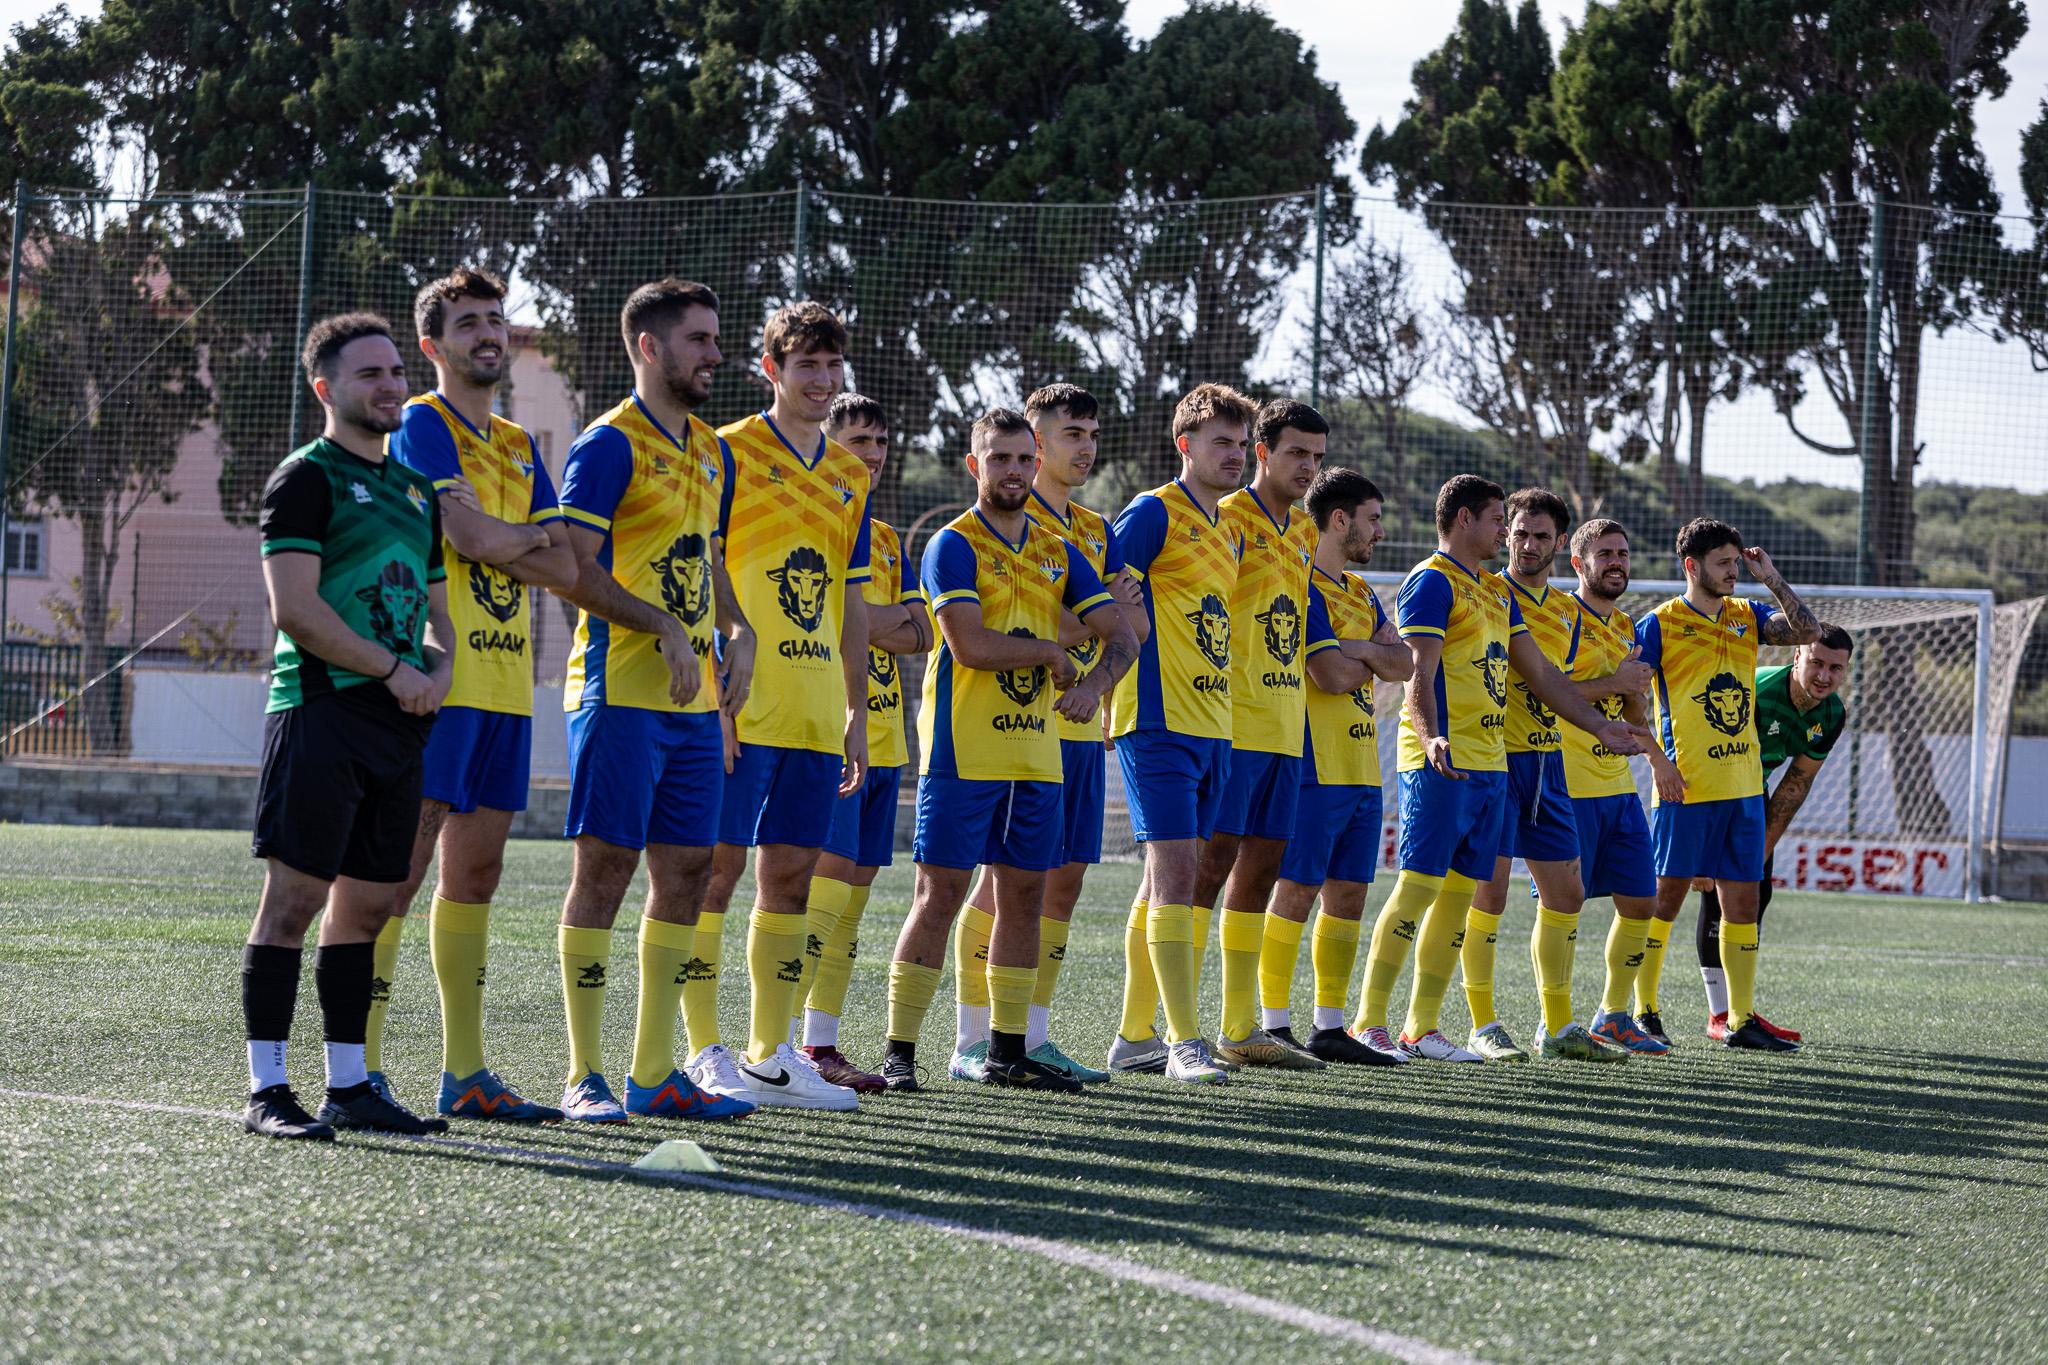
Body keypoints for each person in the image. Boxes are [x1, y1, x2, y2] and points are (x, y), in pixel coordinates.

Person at [879, 409, 1136, 1093]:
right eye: (1000, 458)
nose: (1015, 471)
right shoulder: (952, 545)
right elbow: (968, 644)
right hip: (962, 753)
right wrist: (1052, 652)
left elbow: (1123, 633)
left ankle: (1007, 1052)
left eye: (1025, 459)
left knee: (1026, 898)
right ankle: (900, 1054)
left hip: (1038, 757)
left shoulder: (1060, 550)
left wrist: (1095, 689)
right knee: (939, 895)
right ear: (975, 465)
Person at [242, 311, 455, 1140]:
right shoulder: (305, 477)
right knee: (294, 901)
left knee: (366, 909)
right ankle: (267, 1089)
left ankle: (350, 1085)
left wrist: (438, 672)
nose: (391, 385)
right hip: (321, 710)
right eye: (370, 373)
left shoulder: (416, 492)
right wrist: (395, 670)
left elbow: (439, 621)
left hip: (397, 725)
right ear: (326, 388)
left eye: (397, 370)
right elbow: (295, 609)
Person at [548, 278, 755, 1123]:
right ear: (648, 346)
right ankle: (583, 1074)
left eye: (715, 338)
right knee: (605, 869)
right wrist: (662, 625)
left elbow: (711, 561)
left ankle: (652, 1072)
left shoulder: (713, 451)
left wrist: (737, 628)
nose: (715, 354)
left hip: (693, 708)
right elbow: (569, 570)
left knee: (690, 872)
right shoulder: (606, 445)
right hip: (618, 696)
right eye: (699, 339)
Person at [1353, 476, 1648, 1063]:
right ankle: (1371, 1022)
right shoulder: (1431, 581)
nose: (1511, 539)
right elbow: (1418, 670)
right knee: (1421, 888)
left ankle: (1423, 1028)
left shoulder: (1492, 592)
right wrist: (1431, 735)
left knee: (1461, 896)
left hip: (1494, 763)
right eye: (1501, 524)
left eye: (1534, 533)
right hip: (1444, 761)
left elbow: (1541, 675)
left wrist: (1600, 726)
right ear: (1466, 520)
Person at [379, 267, 576, 1123]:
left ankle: (464, 1073)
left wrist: (509, 538)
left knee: (478, 875)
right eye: (468, 323)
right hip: (439, 681)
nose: (489, 334)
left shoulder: (521, 444)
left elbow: (564, 562)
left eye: (495, 319)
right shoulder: (421, 423)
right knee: (398, 872)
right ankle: (361, 1065)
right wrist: (520, 538)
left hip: (507, 688)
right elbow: (460, 534)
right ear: (433, 344)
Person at [700, 302, 873, 1112]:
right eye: (806, 364)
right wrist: (715, 694)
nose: (823, 379)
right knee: (714, 870)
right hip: (741, 705)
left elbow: (851, 602)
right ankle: (702, 1049)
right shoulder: (727, 451)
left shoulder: (849, 474)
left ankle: (770, 1055)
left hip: (814, 710)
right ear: (771, 369)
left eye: (832, 365)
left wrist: (855, 711)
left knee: (792, 877)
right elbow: (700, 564)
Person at [951, 383, 1145, 1085]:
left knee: (1062, 884)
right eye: (1071, 434)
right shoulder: (1003, 521)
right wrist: (1082, 616)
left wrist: (1088, 622)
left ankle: (1031, 1035)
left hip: (1081, 728)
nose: (1086, 448)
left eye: (1092, 434)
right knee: (997, 886)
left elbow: (1133, 625)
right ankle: (973, 1038)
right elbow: (1020, 625)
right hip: (1012, 725)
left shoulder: (1095, 528)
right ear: (1034, 443)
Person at [1105, 383, 1253, 1084]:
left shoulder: (1228, 528)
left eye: (1242, 443)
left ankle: (1134, 1037)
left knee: (1170, 880)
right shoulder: (1151, 512)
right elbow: (1107, 595)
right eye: (1221, 442)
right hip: (1158, 720)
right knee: (1177, 880)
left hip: (1213, 723)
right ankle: (1183, 1042)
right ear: (1185, 444)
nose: (1236, 455)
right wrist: (1105, 683)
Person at [1635, 517, 1821, 1052]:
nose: (1733, 571)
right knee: (1663, 903)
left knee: (1742, 905)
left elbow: (1807, 633)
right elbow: (1629, 697)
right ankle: (1644, 1010)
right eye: (1723, 563)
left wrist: (1771, 578)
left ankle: (1739, 1020)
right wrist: (1656, 761)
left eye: (1736, 562)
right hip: (1685, 789)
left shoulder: (1748, 614)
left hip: (1743, 790)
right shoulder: (1658, 624)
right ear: (1691, 566)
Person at [788, 394, 930, 1092]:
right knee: (823, 889)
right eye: (857, 441)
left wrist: (866, 617)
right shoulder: (811, 517)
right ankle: (779, 1041)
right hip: (828, 731)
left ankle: (821, 1044)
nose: (872, 454)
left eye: (880, 441)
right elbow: (826, 615)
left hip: (886, 741)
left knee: (853, 900)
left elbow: (920, 633)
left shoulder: (887, 539)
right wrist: (879, 617)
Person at [1260, 467, 1412, 1065]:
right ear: (1340, 519)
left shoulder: (1362, 592)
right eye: (1372, 519)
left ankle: (1328, 1026)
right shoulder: (1301, 584)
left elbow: (1404, 663)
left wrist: (1363, 652)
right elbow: (1328, 675)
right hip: (1312, 763)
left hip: (1360, 767)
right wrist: (1371, 657)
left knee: (1349, 895)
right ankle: (1273, 1023)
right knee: (1296, 890)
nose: (1380, 531)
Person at [1198, 399, 1332, 1070]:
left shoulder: (1305, 530)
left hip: (1285, 727)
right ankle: (1163, 1027)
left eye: (1317, 457)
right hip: (1229, 722)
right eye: (1296, 453)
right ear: (1262, 453)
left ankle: (1238, 1026)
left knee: (1261, 872)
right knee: (1204, 871)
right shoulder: (1227, 518)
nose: (1308, 467)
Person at [1456, 488, 1584, 1063]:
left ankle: (1556, 1027)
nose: (1527, 545)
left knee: (1568, 893)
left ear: (1560, 542)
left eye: (1540, 537)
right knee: (1490, 890)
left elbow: (1560, 686)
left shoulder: (1568, 611)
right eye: (1519, 533)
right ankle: (1482, 1024)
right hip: (1495, 759)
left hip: (1548, 761)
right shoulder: (1485, 591)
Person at [1695, 624, 1853, 1041]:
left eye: (1835, 668)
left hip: (1752, 792)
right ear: (1796, 657)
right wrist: (1699, 840)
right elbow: (1703, 751)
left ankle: (1738, 1012)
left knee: (1756, 891)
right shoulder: (1756, 691)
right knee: (1705, 894)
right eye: (1816, 663)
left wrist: (1758, 852)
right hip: (1708, 787)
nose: (1824, 676)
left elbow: (1795, 786)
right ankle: (1705, 1013)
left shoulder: (1832, 714)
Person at [1554, 518, 1652, 1061]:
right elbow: (1546, 688)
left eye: (1623, 553)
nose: (1617, 562)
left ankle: (1613, 1016)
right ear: (1579, 563)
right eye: (1606, 554)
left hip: (1618, 786)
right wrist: (1615, 682)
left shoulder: (1626, 626)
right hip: (1568, 783)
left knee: (1642, 901)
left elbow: (1632, 709)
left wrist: (1635, 696)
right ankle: (1557, 1022)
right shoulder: (1561, 616)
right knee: (1563, 905)